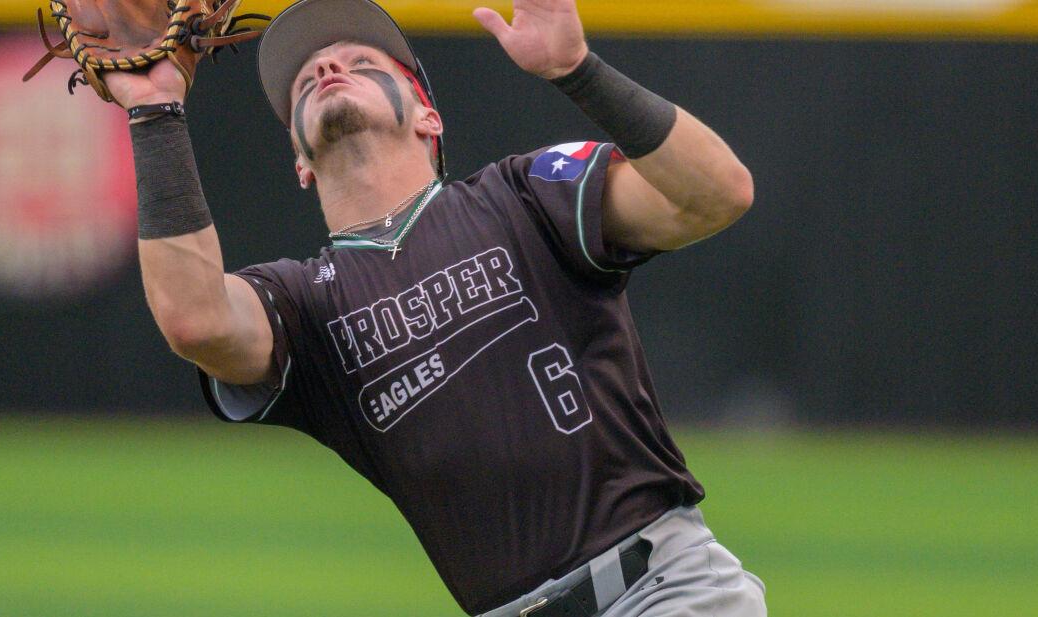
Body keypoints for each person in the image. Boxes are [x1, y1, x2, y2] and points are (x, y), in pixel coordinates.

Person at [109, 0, 765, 615]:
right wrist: (155, 109)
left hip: (661, 589)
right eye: (305, 81)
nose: (328, 67)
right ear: (300, 162)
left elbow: (718, 194)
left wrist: (577, 70)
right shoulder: (305, 307)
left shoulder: (525, 197)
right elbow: (195, 319)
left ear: (429, 116)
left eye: (361, 62)